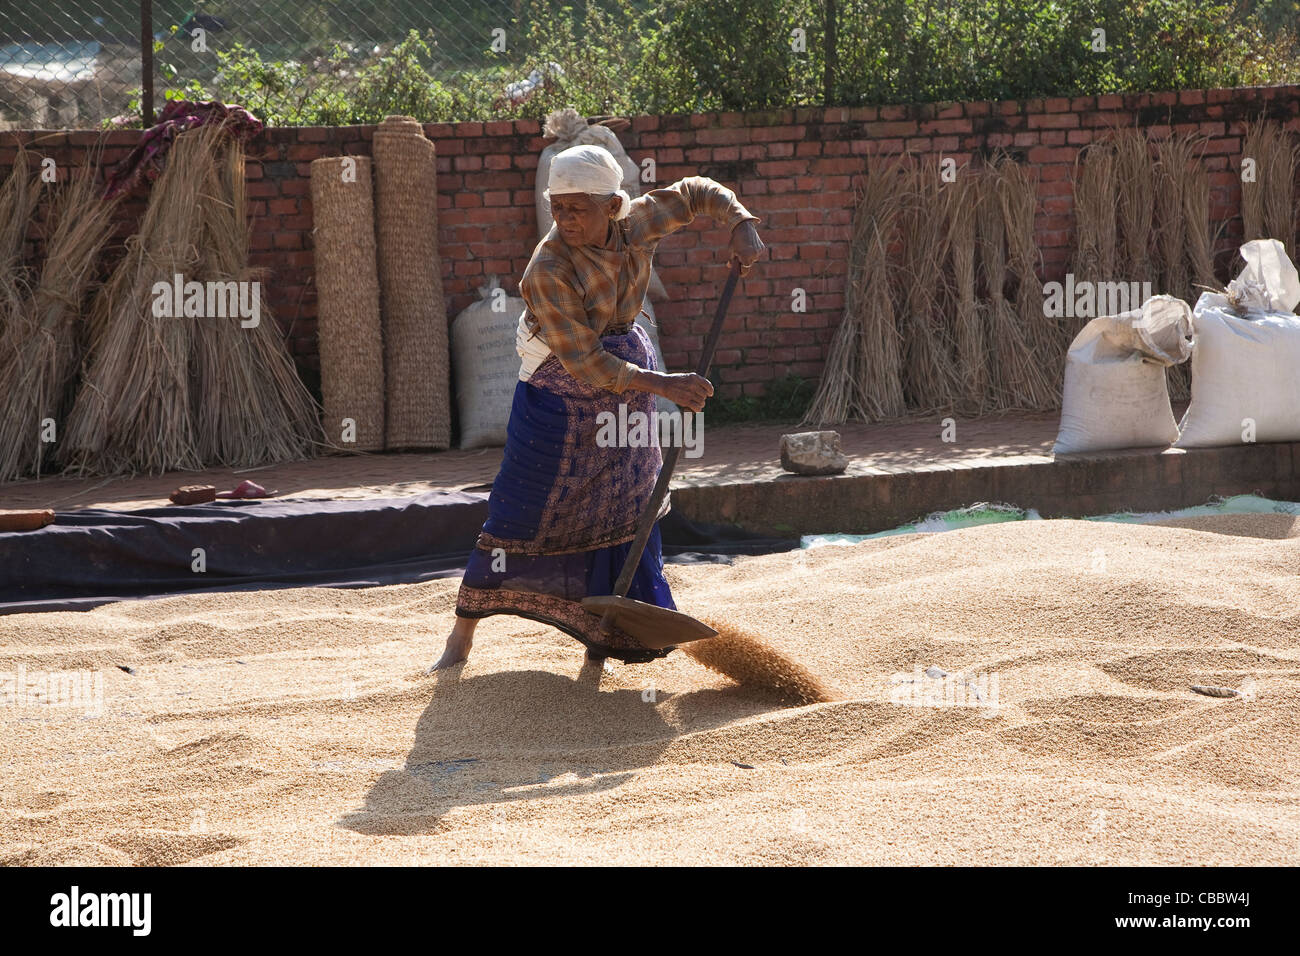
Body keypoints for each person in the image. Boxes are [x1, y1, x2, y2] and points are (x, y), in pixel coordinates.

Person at [431, 144, 764, 670]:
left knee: (630, 503)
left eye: (575, 209)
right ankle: (460, 641)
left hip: (630, 381)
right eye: (556, 208)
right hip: (557, 391)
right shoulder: (547, 268)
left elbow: (697, 193)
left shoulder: (638, 222)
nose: (562, 220)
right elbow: (583, 361)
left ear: (613, 207)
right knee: (521, 508)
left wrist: (741, 223)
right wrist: (666, 386)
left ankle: (603, 643)